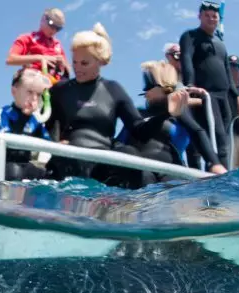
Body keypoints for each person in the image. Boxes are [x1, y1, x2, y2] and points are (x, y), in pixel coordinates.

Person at [45, 23, 177, 189]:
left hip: (103, 165)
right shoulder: (59, 90)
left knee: (131, 155)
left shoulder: (113, 89)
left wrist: (167, 113)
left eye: (84, 63)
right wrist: (55, 143)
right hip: (69, 160)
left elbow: (139, 131)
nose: (77, 68)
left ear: (100, 62)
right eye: (75, 62)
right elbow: (48, 128)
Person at [178, 1, 239, 166]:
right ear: (199, 17)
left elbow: (227, 72)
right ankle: (218, 176)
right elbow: (186, 59)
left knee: (226, 139)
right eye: (207, 16)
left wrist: (237, 97)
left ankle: (221, 174)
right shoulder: (190, 36)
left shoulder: (221, 43)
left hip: (225, 96)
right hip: (207, 95)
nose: (211, 19)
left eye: (214, 16)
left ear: (219, 18)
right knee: (217, 138)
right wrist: (189, 84)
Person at [138, 43, 226, 173]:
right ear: (168, 56)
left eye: (148, 88)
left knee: (193, 152)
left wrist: (214, 163)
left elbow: (197, 131)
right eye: (177, 54)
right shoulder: (140, 112)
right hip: (141, 167)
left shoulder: (190, 77)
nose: (146, 93)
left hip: (169, 164)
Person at [0, 69, 53, 180]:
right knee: (15, 171)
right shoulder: (3, 113)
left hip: (25, 164)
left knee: (47, 175)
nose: (34, 98)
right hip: (4, 164)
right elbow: (6, 138)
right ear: (14, 92)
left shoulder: (35, 120)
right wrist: (24, 118)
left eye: (38, 94)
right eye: (29, 92)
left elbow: (48, 143)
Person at [5, 8, 69, 84]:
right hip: (34, 82)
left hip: (55, 85)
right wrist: (40, 58)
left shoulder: (57, 44)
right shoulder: (27, 38)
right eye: (51, 24)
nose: (54, 30)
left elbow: (69, 70)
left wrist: (64, 64)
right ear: (43, 19)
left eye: (58, 28)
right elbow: (10, 59)